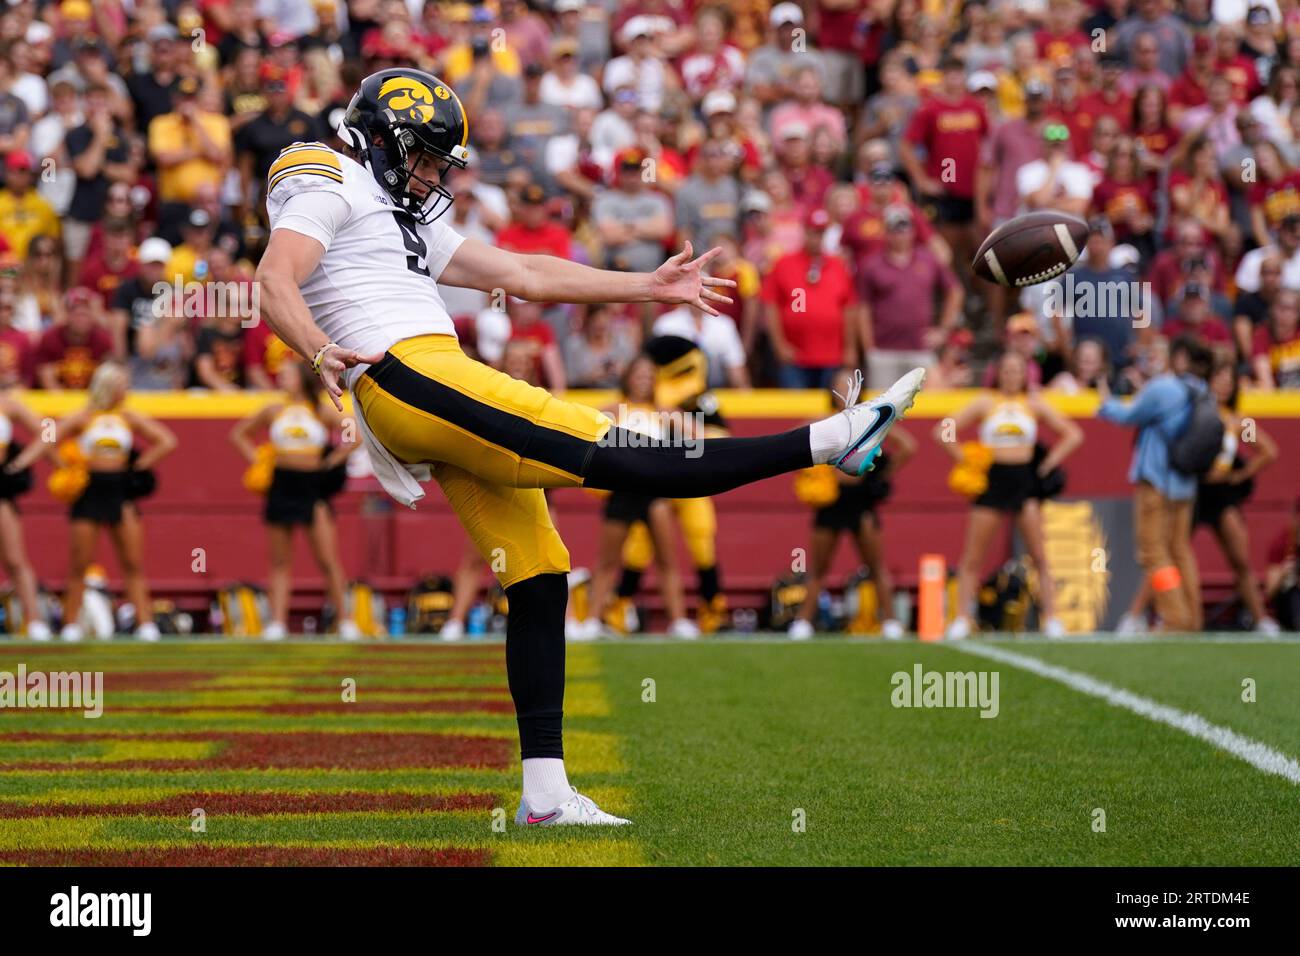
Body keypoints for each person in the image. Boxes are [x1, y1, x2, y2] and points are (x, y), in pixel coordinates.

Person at [254, 67, 926, 827]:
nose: (436, 176)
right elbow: (273, 278)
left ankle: (544, 794)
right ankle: (830, 439)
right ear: (379, 137)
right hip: (407, 372)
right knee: (634, 456)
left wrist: (645, 287)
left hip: (433, 383)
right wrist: (317, 350)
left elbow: (524, 272)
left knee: (540, 576)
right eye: (427, 158)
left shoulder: (401, 211)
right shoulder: (326, 172)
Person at [937, 351, 1085, 640]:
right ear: (998, 373)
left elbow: (1073, 434)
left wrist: (1049, 462)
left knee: (1039, 554)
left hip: (1024, 481)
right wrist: (964, 457)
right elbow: (943, 428)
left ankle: (1052, 617)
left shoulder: (1033, 402)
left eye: (1017, 370)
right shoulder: (985, 401)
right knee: (973, 556)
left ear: (1025, 374)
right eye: (1006, 370)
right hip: (992, 479)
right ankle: (963, 617)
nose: (1011, 375)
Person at [230, 360, 357, 641]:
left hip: (312, 486)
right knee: (279, 560)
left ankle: (346, 621)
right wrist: (259, 461)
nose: (281, 378)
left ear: (301, 378)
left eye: (287, 374)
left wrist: (330, 461)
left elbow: (354, 434)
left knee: (328, 559)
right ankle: (277, 623)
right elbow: (238, 434)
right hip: (281, 483)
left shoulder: (320, 409)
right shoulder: (274, 409)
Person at [577, 354, 698, 640]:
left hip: (655, 492)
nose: (643, 379)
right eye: (638, 373)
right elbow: (586, 436)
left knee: (667, 559)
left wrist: (676, 420)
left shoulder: (665, 412)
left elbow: (698, 439)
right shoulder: (613, 411)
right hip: (621, 492)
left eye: (649, 374)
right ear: (628, 377)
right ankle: (592, 620)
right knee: (608, 560)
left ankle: (678, 621)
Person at [1096, 336, 1213, 632]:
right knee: (1179, 550)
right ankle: (1193, 616)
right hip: (1186, 485)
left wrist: (1105, 401)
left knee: (1152, 554)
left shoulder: (1162, 388)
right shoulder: (1200, 389)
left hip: (1156, 481)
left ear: (1178, 356)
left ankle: (1176, 616)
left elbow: (1126, 415)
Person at [790, 369, 916, 641]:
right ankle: (803, 623)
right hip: (831, 501)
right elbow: (789, 444)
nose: (845, 389)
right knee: (819, 568)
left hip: (861, 502)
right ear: (831, 391)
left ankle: (891, 622)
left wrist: (882, 475)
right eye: (839, 384)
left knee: (876, 566)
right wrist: (812, 475)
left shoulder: (872, 420)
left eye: (851, 384)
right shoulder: (822, 421)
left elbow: (908, 445)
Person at [58, 362, 177, 642]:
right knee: (80, 564)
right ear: (108, 386)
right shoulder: (84, 416)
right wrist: (69, 467)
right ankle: (70, 624)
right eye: (122, 384)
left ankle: (145, 624)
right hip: (89, 490)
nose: (126, 389)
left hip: (120, 491)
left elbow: (167, 440)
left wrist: (139, 465)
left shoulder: (128, 416)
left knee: (133, 563)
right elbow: (48, 439)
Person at [0, 391, 54, 640]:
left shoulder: (8, 404)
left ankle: (34, 621)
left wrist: (21, 462)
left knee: (14, 558)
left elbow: (49, 429)